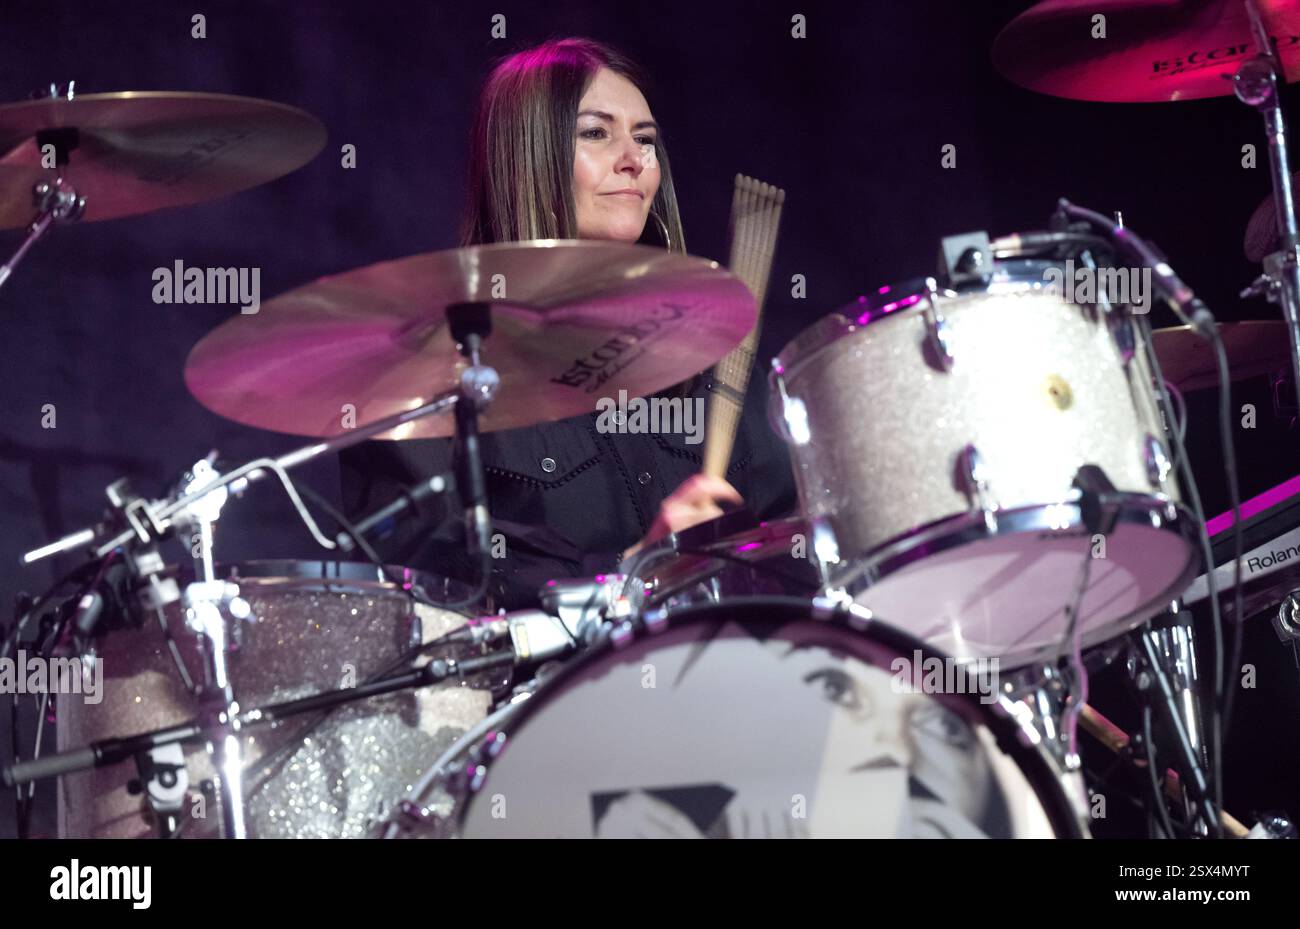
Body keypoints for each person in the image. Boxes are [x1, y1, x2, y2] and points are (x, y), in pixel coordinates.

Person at [340, 37, 796, 610]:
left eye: (646, 139)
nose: (634, 158)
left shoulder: (716, 359)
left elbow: (804, 544)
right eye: (596, 133)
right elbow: (431, 597)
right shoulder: (432, 381)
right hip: (557, 694)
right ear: (525, 159)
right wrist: (634, 575)